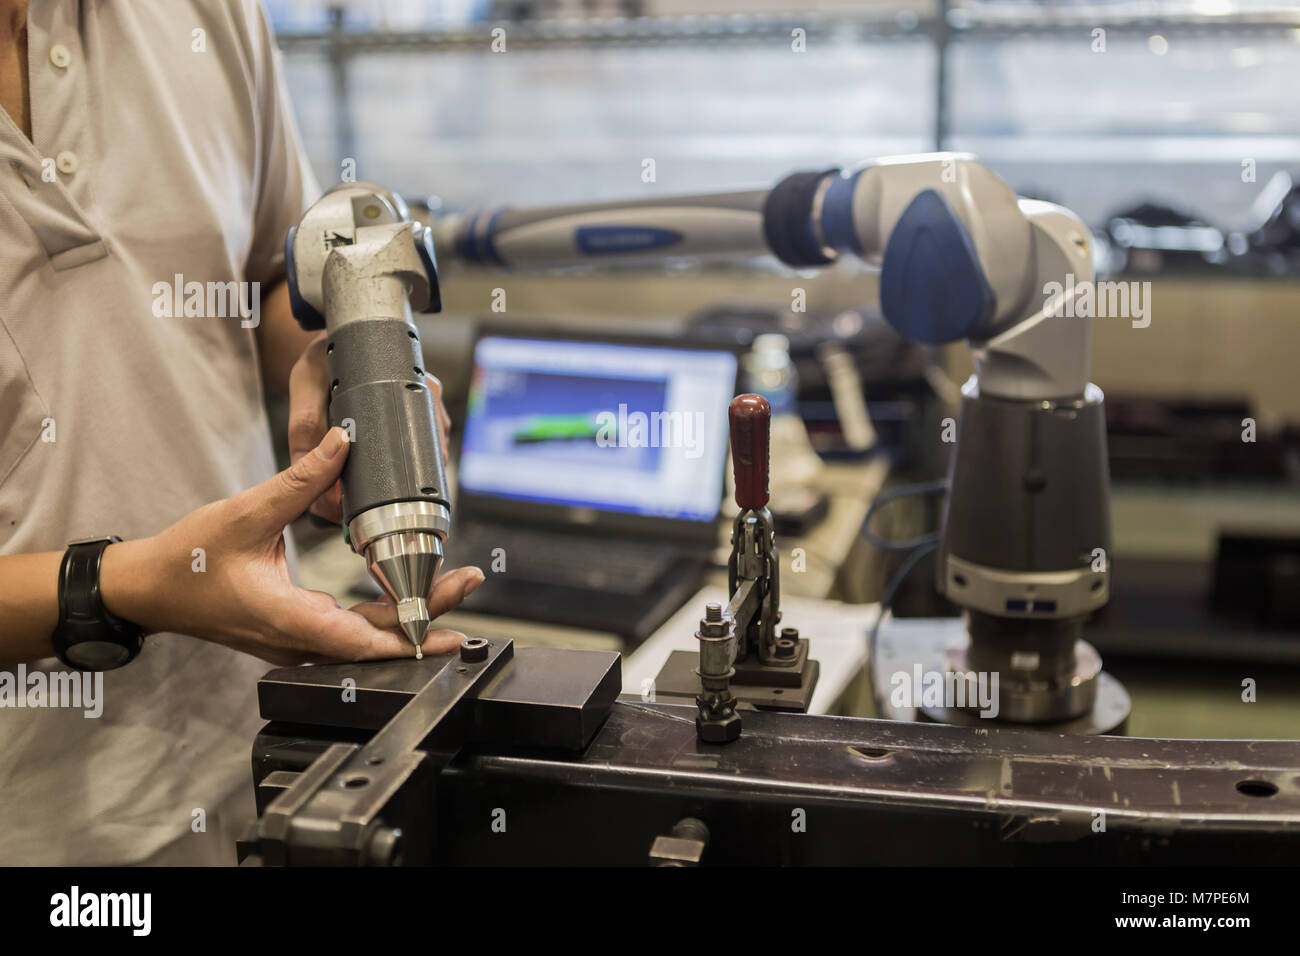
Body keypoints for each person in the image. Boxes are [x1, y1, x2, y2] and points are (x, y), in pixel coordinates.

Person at [0, 0, 482, 865]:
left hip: (262, 744)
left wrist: (345, 359)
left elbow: (268, 276)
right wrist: (135, 586)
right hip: (41, 821)